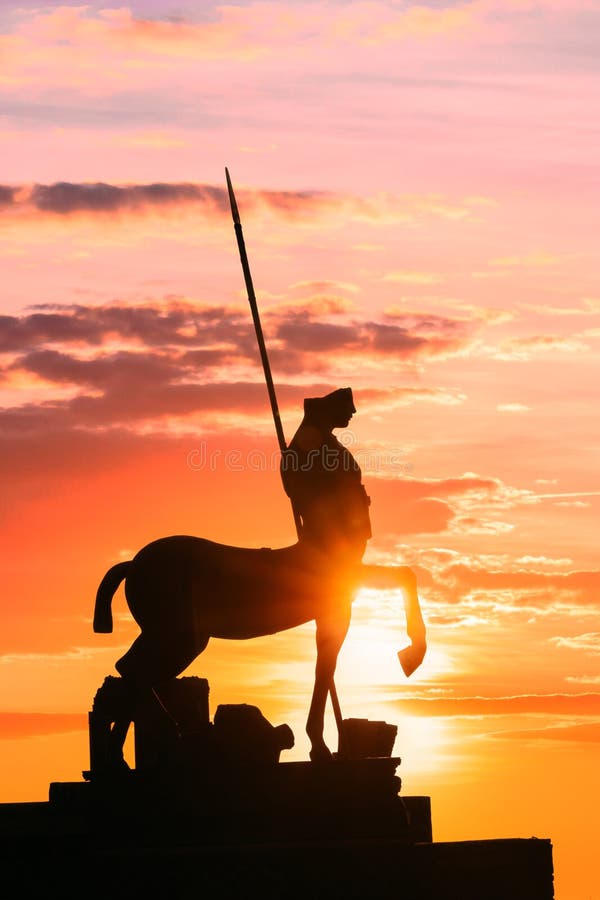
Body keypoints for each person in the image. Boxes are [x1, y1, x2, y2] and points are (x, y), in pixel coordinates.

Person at [281, 387, 371, 556]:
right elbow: (299, 484)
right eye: (346, 406)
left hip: (349, 531)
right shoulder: (310, 441)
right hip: (332, 536)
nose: (353, 411)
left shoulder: (327, 442)